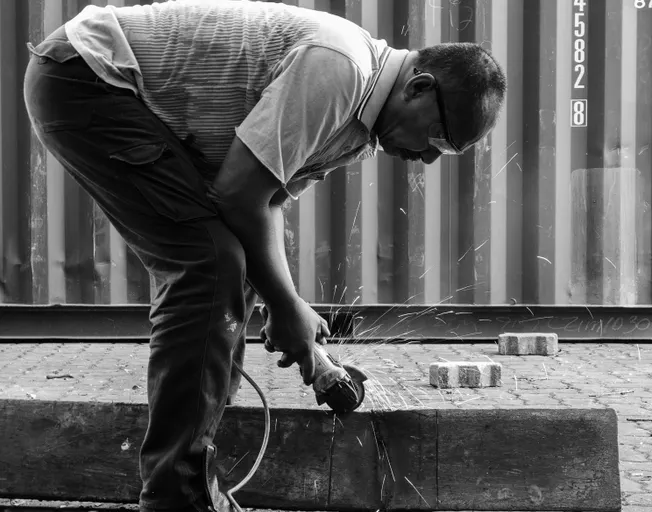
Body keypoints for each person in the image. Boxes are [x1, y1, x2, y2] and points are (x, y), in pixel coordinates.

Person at [23, 1, 506, 511]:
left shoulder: (359, 130)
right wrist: (288, 307)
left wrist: (285, 304)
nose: (429, 157)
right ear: (419, 87)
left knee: (235, 264)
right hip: (88, 75)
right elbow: (236, 194)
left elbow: (263, 201)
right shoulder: (340, 70)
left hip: (98, 81)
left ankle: (195, 474)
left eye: (444, 153)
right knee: (209, 263)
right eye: (439, 140)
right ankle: (175, 497)